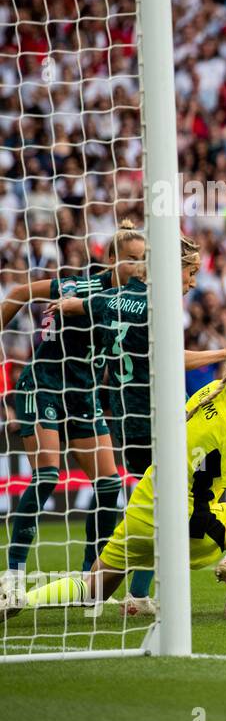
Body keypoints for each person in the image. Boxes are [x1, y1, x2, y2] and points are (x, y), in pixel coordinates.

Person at [43, 235, 226, 616]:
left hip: (124, 420)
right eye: (191, 272)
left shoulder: (117, 297)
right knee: (185, 506)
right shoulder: (156, 304)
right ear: (171, 268)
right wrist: (225, 353)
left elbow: (82, 304)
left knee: (160, 513)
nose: (193, 282)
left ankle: (135, 591)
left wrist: (63, 307)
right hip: (153, 422)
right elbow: (170, 356)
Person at [7, 337, 226, 620]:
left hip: (145, 508)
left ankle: (20, 599)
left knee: (92, 589)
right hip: (190, 527)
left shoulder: (209, 391)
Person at [1, 224, 144, 610]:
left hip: (84, 395)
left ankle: (89, 581)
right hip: (43, 385)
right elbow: (18, 292)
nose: (140, 265)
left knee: (110, 485)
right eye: (132, 259)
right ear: (112, 260)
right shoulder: (78, 286)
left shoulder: (139, 298)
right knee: (48, 473)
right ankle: (11, 577)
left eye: (144, 258)